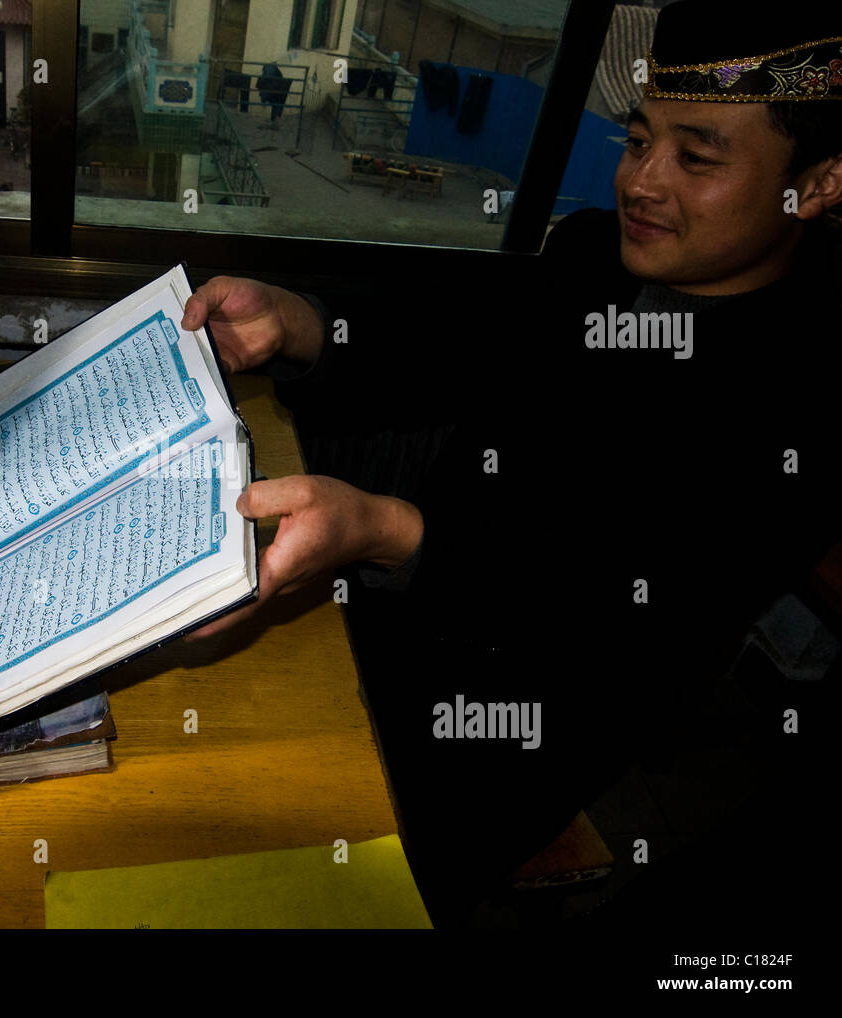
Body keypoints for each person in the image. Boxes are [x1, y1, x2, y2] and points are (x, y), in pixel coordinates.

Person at [182, 1, 842, 925]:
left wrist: (389, 531)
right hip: (400, 611)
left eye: (696, 158)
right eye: (638, 141)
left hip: (515, 725)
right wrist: (305, 321)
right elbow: (454, 338)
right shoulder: (589, 259)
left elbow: (620, 610)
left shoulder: (805, 412)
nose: (641, 184)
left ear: (815, 185)